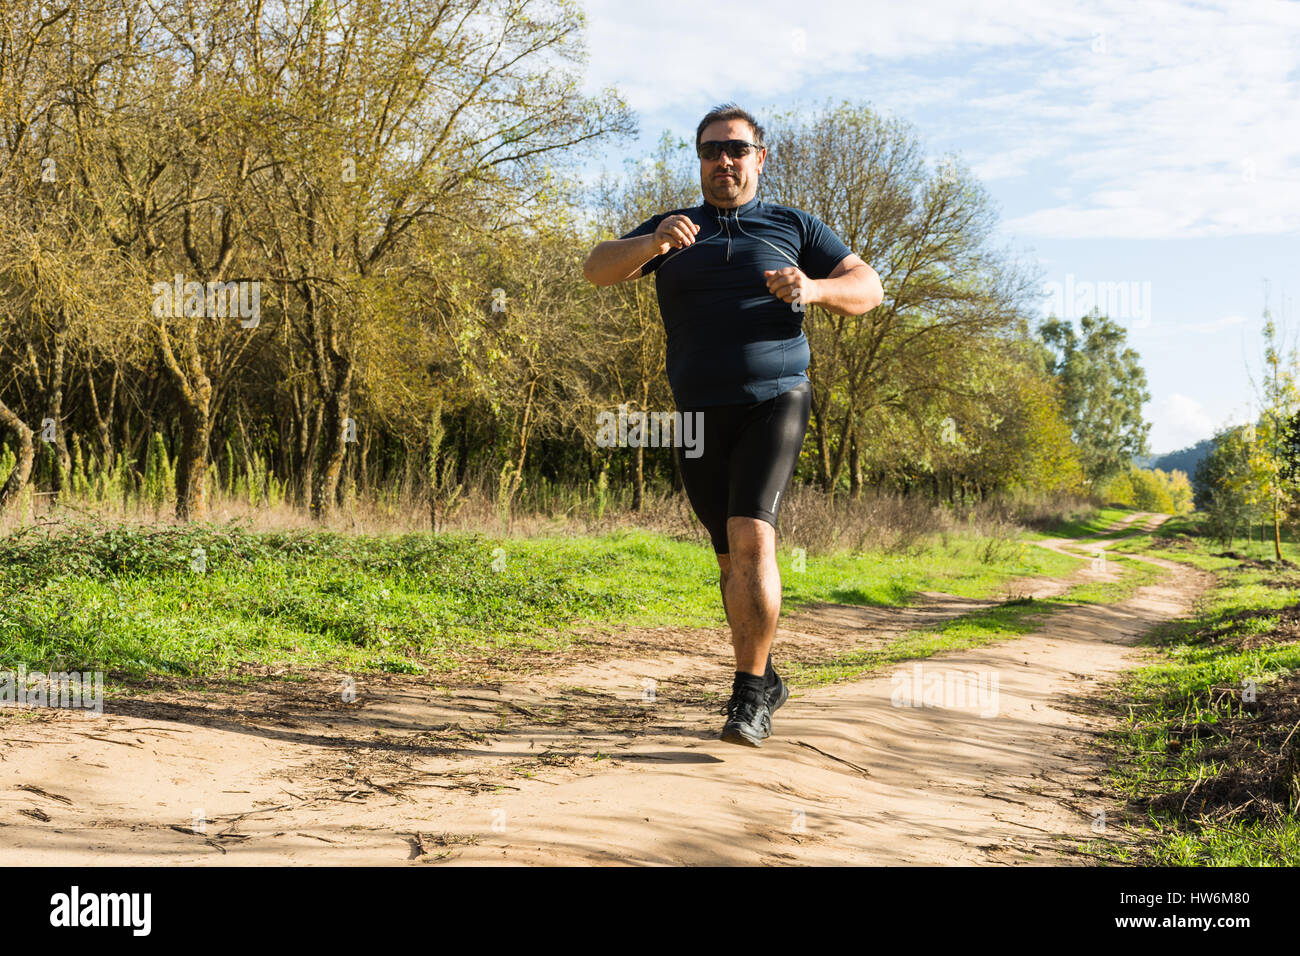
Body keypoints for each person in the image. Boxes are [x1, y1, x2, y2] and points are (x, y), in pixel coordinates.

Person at [582, 103, 884, 747]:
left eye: (737, 149)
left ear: (759, 157)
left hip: (773, 398)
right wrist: (654, 241)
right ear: (700, 159)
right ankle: (764, 675)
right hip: (695, 413)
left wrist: (813, 289)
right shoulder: (672, 228)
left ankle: (748, 698)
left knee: (752, 538)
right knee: (728, 559)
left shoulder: (792, 225)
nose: (725, 161)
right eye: (712, 150)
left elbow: (868, 287)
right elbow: (596, 268)